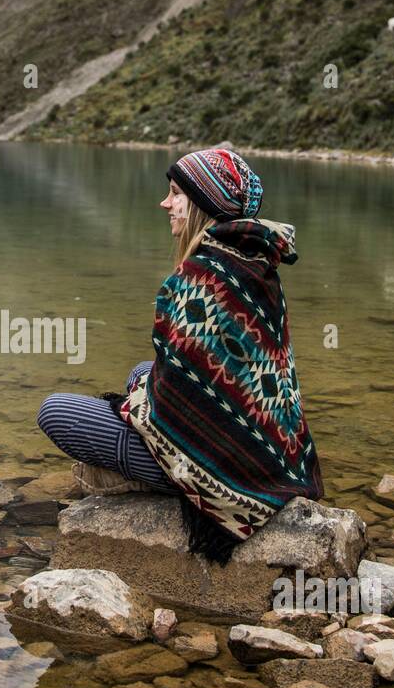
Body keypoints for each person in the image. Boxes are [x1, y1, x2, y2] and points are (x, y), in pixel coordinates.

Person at [37, 145, 324, 563]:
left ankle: (189, 484)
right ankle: (194, 460)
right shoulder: (253, 263)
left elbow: (177, 396)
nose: (165, 203)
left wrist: (136, 409)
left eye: (176, 193)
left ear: (204, 203)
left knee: (56, 411)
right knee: (141, 372)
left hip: (229, 474)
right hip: (275, 454)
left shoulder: (197, 280)